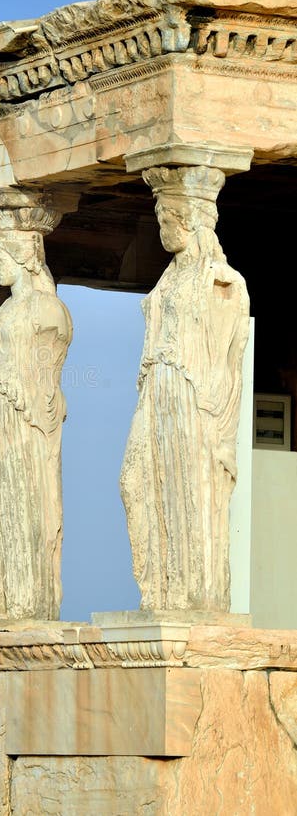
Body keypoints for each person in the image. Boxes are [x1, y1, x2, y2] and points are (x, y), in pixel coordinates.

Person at [120, 167, 250, 611]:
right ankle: (160, 591)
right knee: (134, 482)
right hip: (156, 392)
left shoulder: (222, 281)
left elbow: (228, 359)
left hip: (193, 400)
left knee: (192, 495)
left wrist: (218, 422)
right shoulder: (168, 278)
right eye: (159, 220)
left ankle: (194, 597)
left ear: (191, 222)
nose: (161, 229)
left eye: (168, 220)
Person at [0, 229, 72, 620]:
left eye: (2, 252)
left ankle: (24, 605)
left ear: (25, 256)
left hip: (23, 420)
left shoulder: (46, 308)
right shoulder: (5, 310)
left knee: (21, 511)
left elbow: (49, 373)